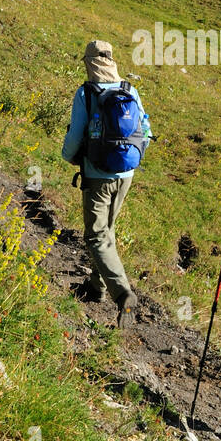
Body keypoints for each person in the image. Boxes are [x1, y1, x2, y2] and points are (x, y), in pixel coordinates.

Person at [61, 40, 151, 328]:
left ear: (89, 64)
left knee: (96, 236)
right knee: (107, 231)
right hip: (126, 173)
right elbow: (145, 131)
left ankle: (121, 292)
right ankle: (96, 288)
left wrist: (69, 157)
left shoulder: (87, 93)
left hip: (97, 173)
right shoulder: (129, 90)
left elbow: (76, 135)